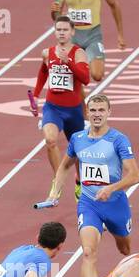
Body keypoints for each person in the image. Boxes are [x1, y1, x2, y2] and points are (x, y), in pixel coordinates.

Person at [44, 93, 139, 277]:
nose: (97, 115)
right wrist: (54, 193)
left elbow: (135, 176)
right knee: (88, 253)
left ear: (109, 112)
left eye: (101, 110)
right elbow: (64, 167)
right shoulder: (78, 139)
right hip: (88, 204)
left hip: (115, 204)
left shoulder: (118, 140)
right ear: (87, 113)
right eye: (93, 110)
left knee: (125, 249)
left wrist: (111, 188)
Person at [31, 17, 90, 200]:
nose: (62, 32)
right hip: (53, 108)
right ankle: (58, 181)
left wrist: (69, 63)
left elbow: (86, 79)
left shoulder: (78, 53)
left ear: (72, 32)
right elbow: (43, 72)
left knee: (79, 153)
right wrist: (36, 94)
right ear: (55, 32)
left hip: (73, 110)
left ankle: (79, 181)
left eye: (65, 29)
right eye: (59, 29)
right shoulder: (47, 53)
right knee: (50, 140)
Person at [50, 0, 125, 83]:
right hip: (72, 36)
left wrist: (120, 34)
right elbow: (57, 18)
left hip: (93, 35)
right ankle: (81, 104)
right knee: (73, 77)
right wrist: (53, 11)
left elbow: (114, 5)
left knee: (97, 75)